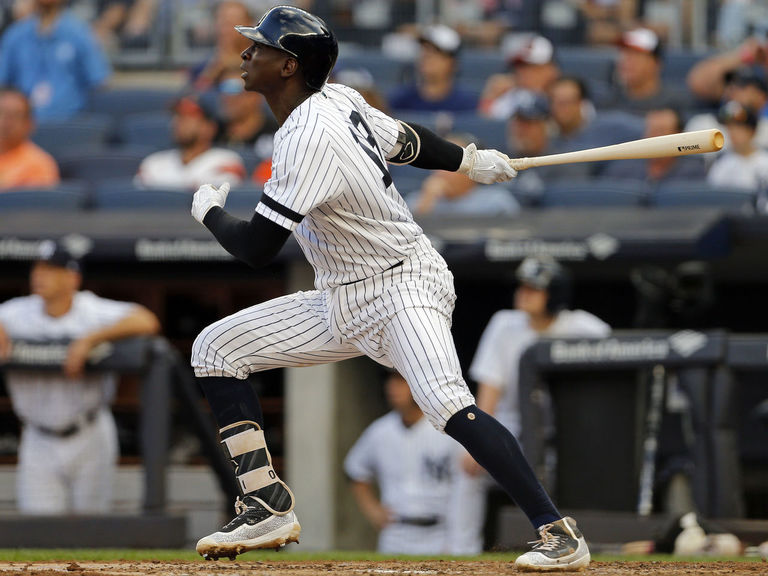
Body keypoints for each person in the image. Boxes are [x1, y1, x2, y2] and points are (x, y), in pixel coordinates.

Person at [188, 6, 590, 571]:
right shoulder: (338, 99)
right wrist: (468, 161)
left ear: (290, 66)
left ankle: (558, 532)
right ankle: (265, 503)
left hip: (402, 285)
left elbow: (256, 248)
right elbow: (406, 142)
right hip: (342, 293)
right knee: (215, 349)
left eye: (261, 47)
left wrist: (208, 211)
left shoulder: (309, 135)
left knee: (448, 406)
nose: (247, 54)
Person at [447, 255, 611, 555]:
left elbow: (625, 354)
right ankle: (461, 553)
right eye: (523, 286)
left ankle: (564, 542)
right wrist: (475, 441)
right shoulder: (504, 324)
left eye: (534, 288)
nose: (523, 292)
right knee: (466, 469)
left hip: (562, 431)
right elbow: (490, 387)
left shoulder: (584, 327)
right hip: (511, 424)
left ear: (555, 294)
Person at [0, 240, 160, 514]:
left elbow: (147, 321)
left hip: (89, 431)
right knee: (40, 532)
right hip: (37, 435)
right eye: (37, 269)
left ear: (73, 277)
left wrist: (91, 339)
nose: (40, 276)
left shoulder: (90, 310)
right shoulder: (17, 312)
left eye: (51, 270)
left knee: (92, 523)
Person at [344, 370, 458, 554]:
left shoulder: (445, 429)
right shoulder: (380, 430)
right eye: (390, 381)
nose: (391, 388)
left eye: (400, 382)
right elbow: (354, 470)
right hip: (396, 532)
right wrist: (373, 510)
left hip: (439, 532)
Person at [0, 0, 111, 122]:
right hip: (24, 124)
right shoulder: (16, 35)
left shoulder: (79, 32)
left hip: (69, 120)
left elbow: (98, 80)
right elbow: (3, 81)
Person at [135, 94, 246, 190]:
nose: (179, 122)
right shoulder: (153, 163)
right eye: (178, 116)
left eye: (189, 117)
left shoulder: (226, 161)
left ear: (209, 127)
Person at [406, 133, 520, 217]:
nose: (440, 170)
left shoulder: (496, 203)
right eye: (437, 162)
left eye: (449, 163)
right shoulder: (415, 201)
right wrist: (426, 202)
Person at [387, 24, 478, 113]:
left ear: (452, 62)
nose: (426, 56)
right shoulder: (400, 100)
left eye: (436, 52)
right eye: (424, 50)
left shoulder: (466, 103)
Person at [601, 107, 707, 183]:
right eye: (651, 130)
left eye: (661, 131)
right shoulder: (622, 170)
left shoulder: (693, 172)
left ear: (678, 136)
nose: (654, 137)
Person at [605, 27, 685, 114]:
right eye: (623, 53)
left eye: (635, 54)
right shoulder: (607, 101)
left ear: (656, 63)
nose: (625, 60)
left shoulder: (676, 103)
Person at [479, 34, 559, 120]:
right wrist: (490, 96)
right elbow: (485, 126)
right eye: (520, 67)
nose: (523, 73)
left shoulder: (565, 98)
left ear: (552, 70)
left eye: (532, 67)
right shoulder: (511, 96)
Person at [0, 88, 60, 189]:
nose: (5, 123)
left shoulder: (39, 164)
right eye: (0, 113)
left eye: (15, 116)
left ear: (29, 124)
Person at [707, 100, 768, 190]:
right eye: (730, 128)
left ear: (752, 131)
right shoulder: (722, 163)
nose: (733, 133)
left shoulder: (765, 161)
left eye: (739, 128)